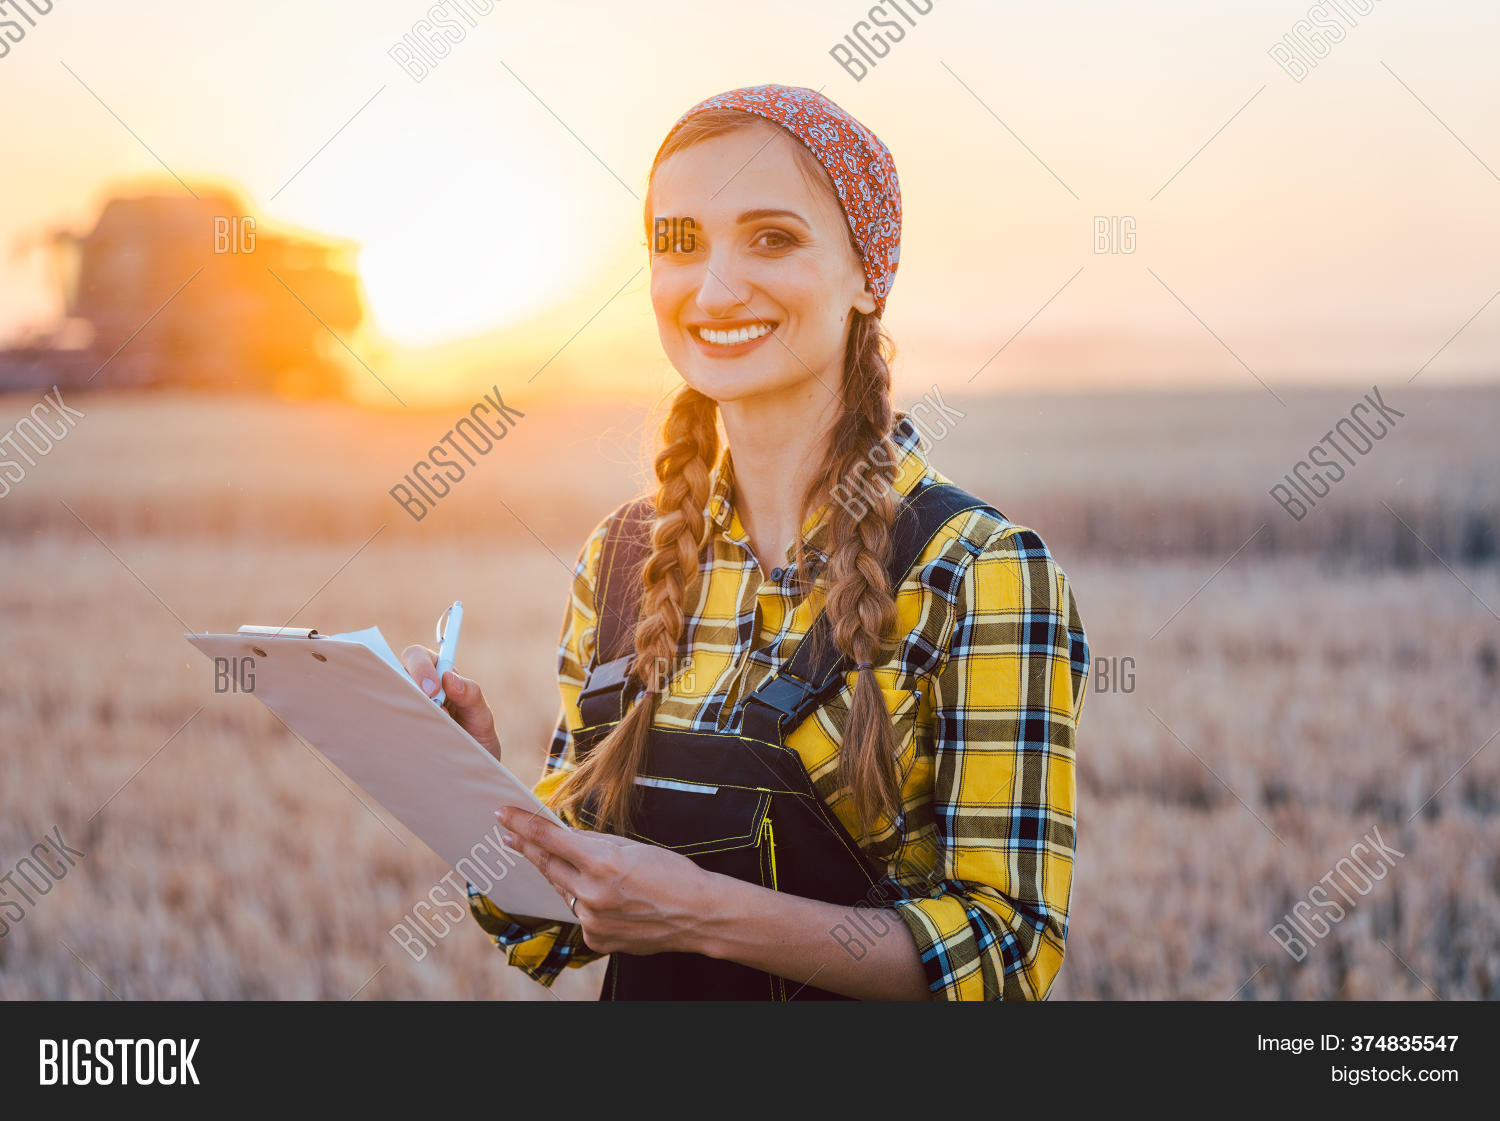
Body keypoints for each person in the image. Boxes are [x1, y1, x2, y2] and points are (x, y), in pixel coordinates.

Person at [402, 84, 1090, 1001]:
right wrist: (463, 778)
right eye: (678, 243)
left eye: (772, 237)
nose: (716, 286)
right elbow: (550, 936)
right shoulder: (621, 558)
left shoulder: (979, 570)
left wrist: (701, 914)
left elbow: (1008, 958)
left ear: (868, 276)